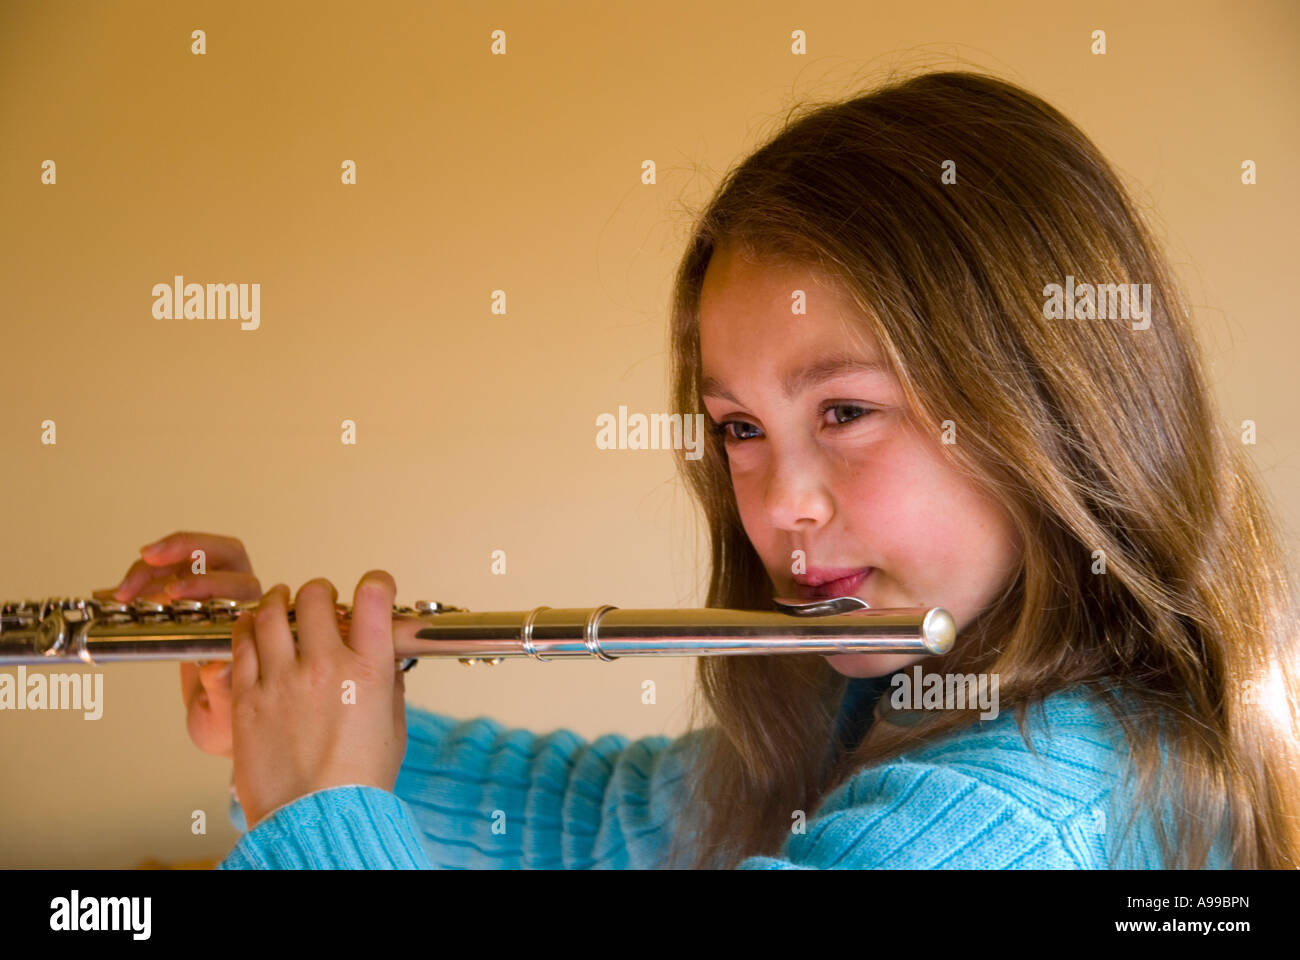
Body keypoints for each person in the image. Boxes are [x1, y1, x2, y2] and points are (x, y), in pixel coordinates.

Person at [98, 70, 1299, 869]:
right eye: (739, 429)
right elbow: (606, 827)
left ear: (1047, 408)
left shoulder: (1020, 822)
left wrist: (321, 813)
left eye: (844, 411)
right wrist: (303, 710)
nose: (782, 504)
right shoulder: (903, 702)